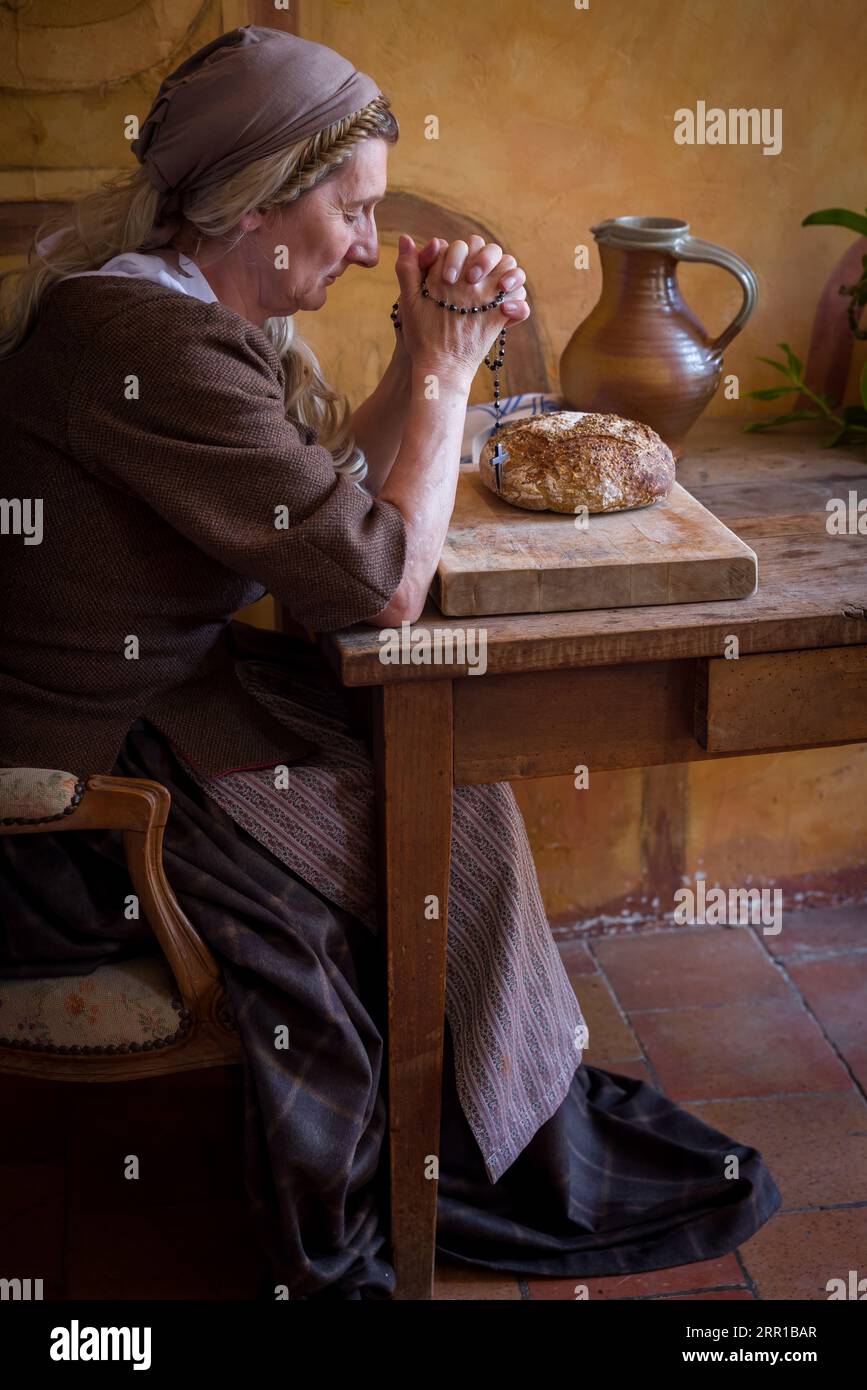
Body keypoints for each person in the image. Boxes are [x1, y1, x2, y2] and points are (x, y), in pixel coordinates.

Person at [0, 26, 781, 1300]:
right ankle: (467, 1134)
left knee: (446, 780)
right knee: (430, 803)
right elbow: (378, 582)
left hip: (149, 711)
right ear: (259, 208)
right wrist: (445, 371)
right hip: (64, 816)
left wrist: (436, 367)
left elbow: (325, 512)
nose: (369, 246)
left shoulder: (169, 312)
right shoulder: (150, 349)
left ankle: (484, 1101)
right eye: (353, 209)